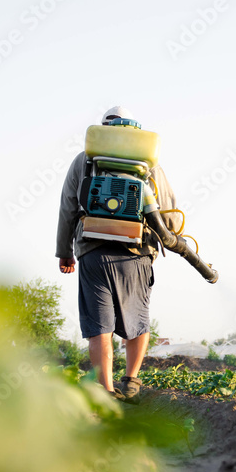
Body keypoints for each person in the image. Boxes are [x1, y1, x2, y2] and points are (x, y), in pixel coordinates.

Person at [55, 106, 182, 401]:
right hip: (136, 252)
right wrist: (171, 238)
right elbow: (169, 211)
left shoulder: (83, 161)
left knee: (100, 327)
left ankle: (107, 391)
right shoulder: (150, 164)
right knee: (138, 319)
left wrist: (64, 252)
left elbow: (68, 208)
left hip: (93, 250)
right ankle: (132, 380)